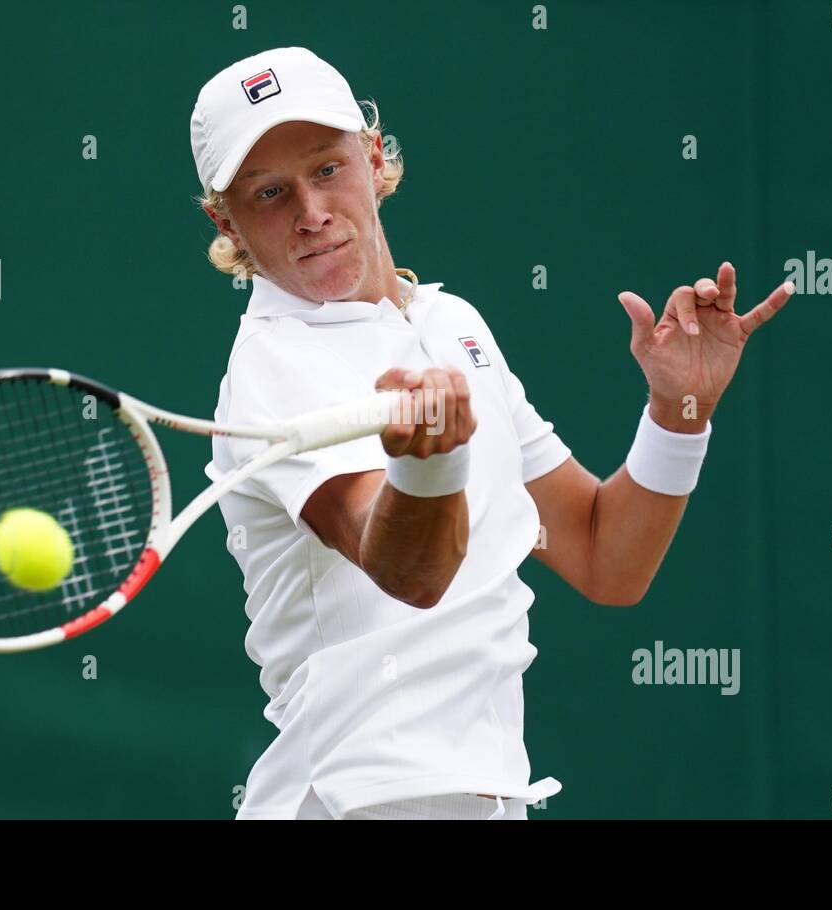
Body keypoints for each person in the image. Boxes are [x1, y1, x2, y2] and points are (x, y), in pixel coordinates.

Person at [190, 47, 793, 820]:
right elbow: (410, 574)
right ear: (228, 223)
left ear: (372, 159)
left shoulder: (453, 324)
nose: (311, 212)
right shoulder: (273, 364)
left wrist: (680, 411)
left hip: (481, 798)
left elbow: (606, 558)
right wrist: (430, 467)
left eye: (326, 169)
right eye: (270, 193)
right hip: (354, 801)